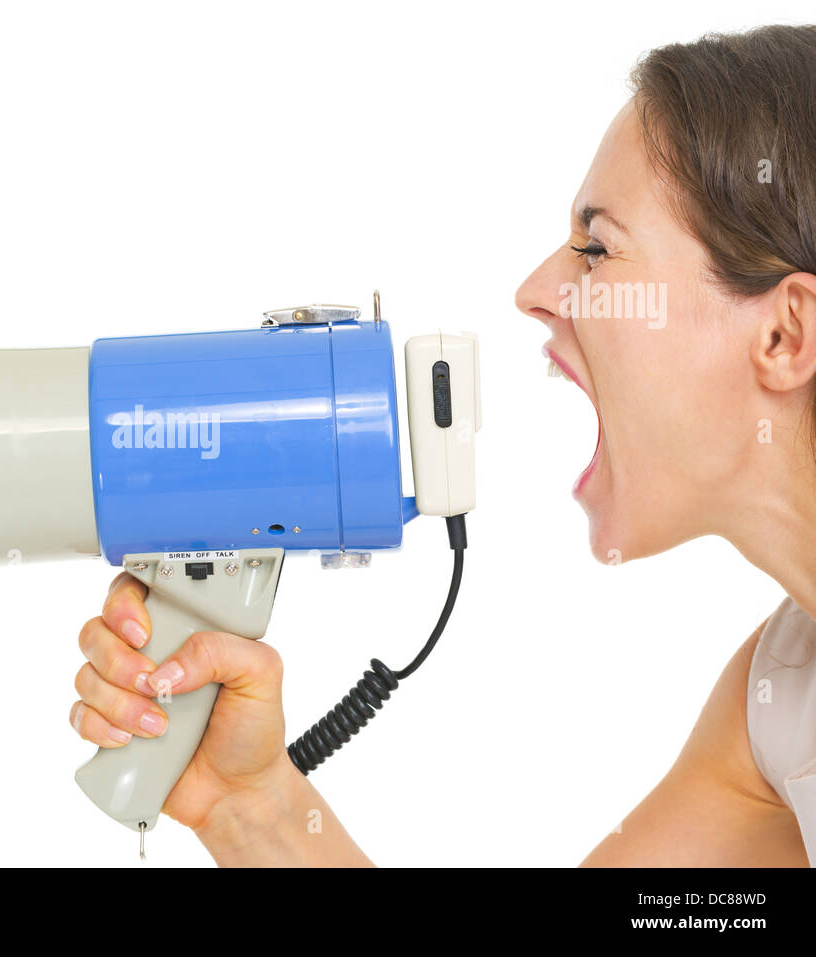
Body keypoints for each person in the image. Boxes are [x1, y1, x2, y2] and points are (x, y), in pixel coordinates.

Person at [68, 24, 816, 866]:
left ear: (786, 335)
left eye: (598, 249)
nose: (535, 291)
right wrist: (250, 804)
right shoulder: (777, 703)